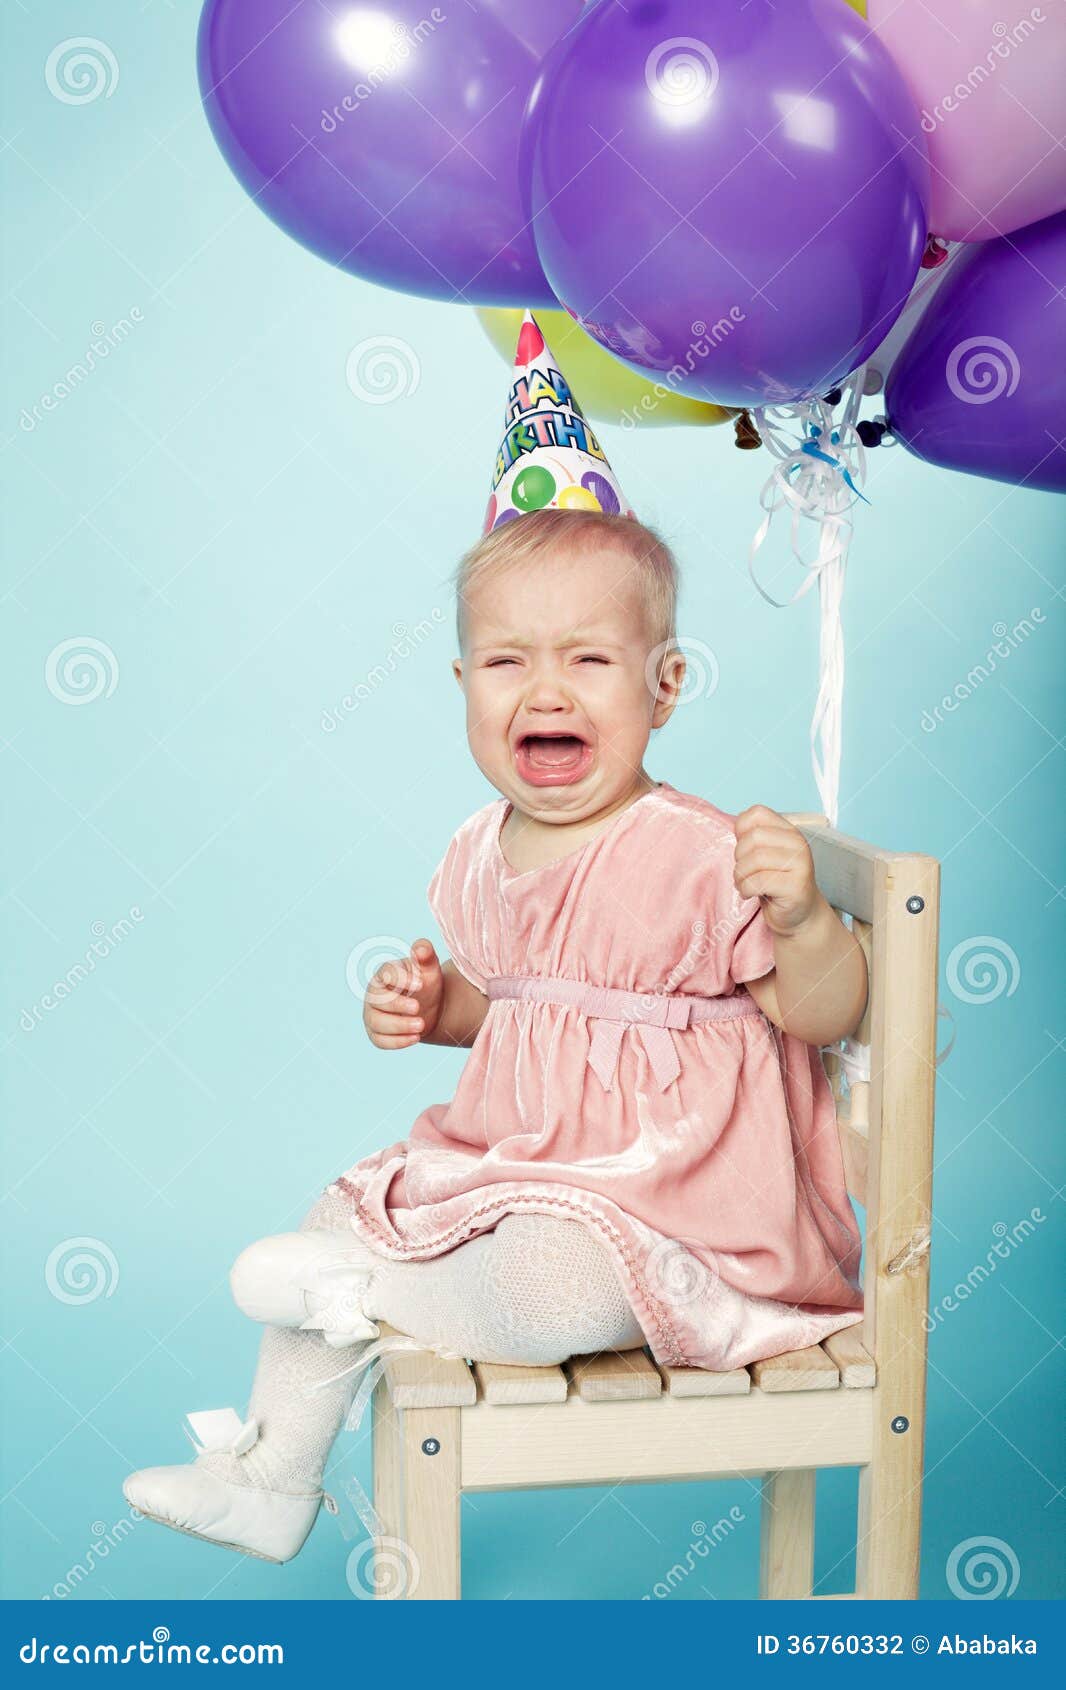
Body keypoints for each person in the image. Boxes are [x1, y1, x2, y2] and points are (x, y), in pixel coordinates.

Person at [123, 316, 866, 1566]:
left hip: (677, 1199)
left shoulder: (698, 849)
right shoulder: (478, 849)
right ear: (464, 681)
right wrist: (438, 1008)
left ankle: (372, 1298)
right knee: (346, 1204)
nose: (548, 689)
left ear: (662, 686)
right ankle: (272, 1478)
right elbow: (513, 1000)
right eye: (508, 661)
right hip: (522, 1157)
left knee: (547, 1292)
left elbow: (821, 1014)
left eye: (589, 658)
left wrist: (800, 918)